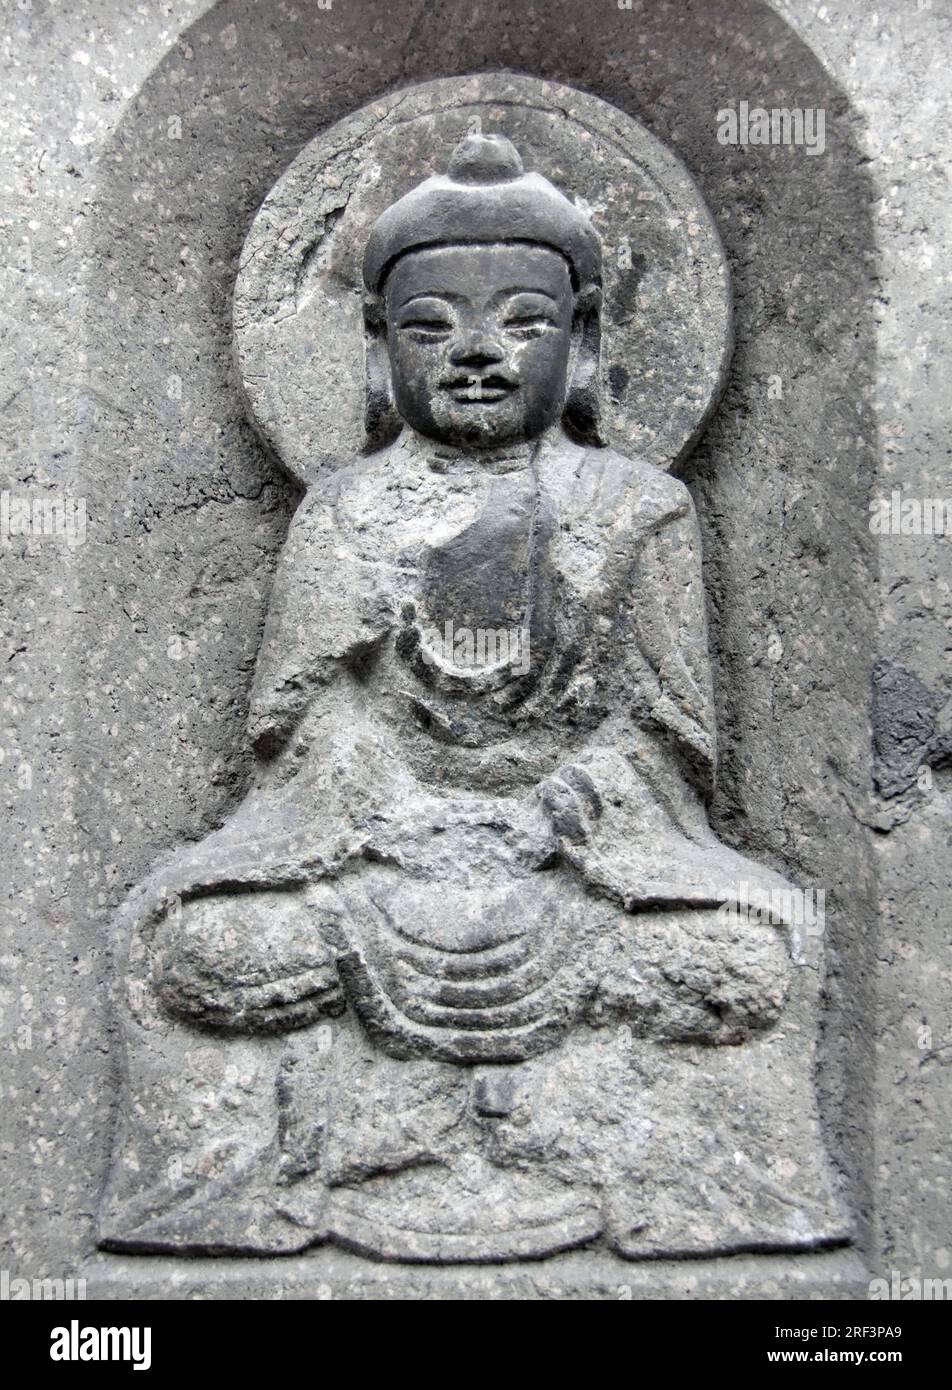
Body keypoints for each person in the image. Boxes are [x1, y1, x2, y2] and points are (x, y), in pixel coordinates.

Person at [99, 135, 847, 1261]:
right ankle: (308, 1169)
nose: (480, 353)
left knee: (744, 957)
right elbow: (302, 741)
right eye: (430, 327)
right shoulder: (346, 512)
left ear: (585, 343)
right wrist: (385, 808)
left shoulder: (636, 509)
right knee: (203, 948)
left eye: (525, 325)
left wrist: (570, 813)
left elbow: (662, 741)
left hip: (580, 876)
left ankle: (604, 1163)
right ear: (375, 353)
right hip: (374, 871)